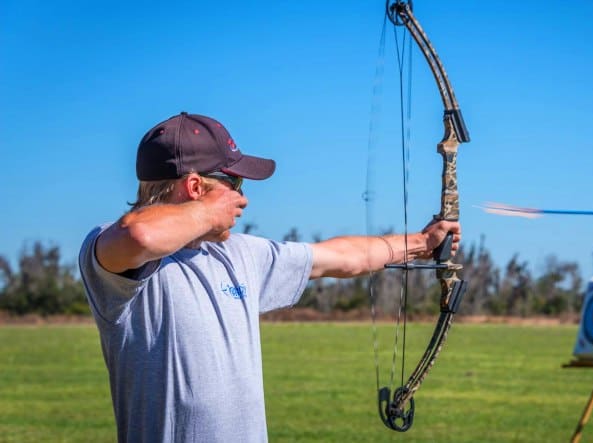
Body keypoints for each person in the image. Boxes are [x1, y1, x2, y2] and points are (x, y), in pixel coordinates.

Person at [79, 112, 461, 442]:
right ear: (196, 187)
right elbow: (139, 235)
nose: (243, 199)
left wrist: (422, 242)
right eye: (235, 186)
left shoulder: (238, 253)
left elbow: (341, 258)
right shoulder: (117, 257)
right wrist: (210, 212)